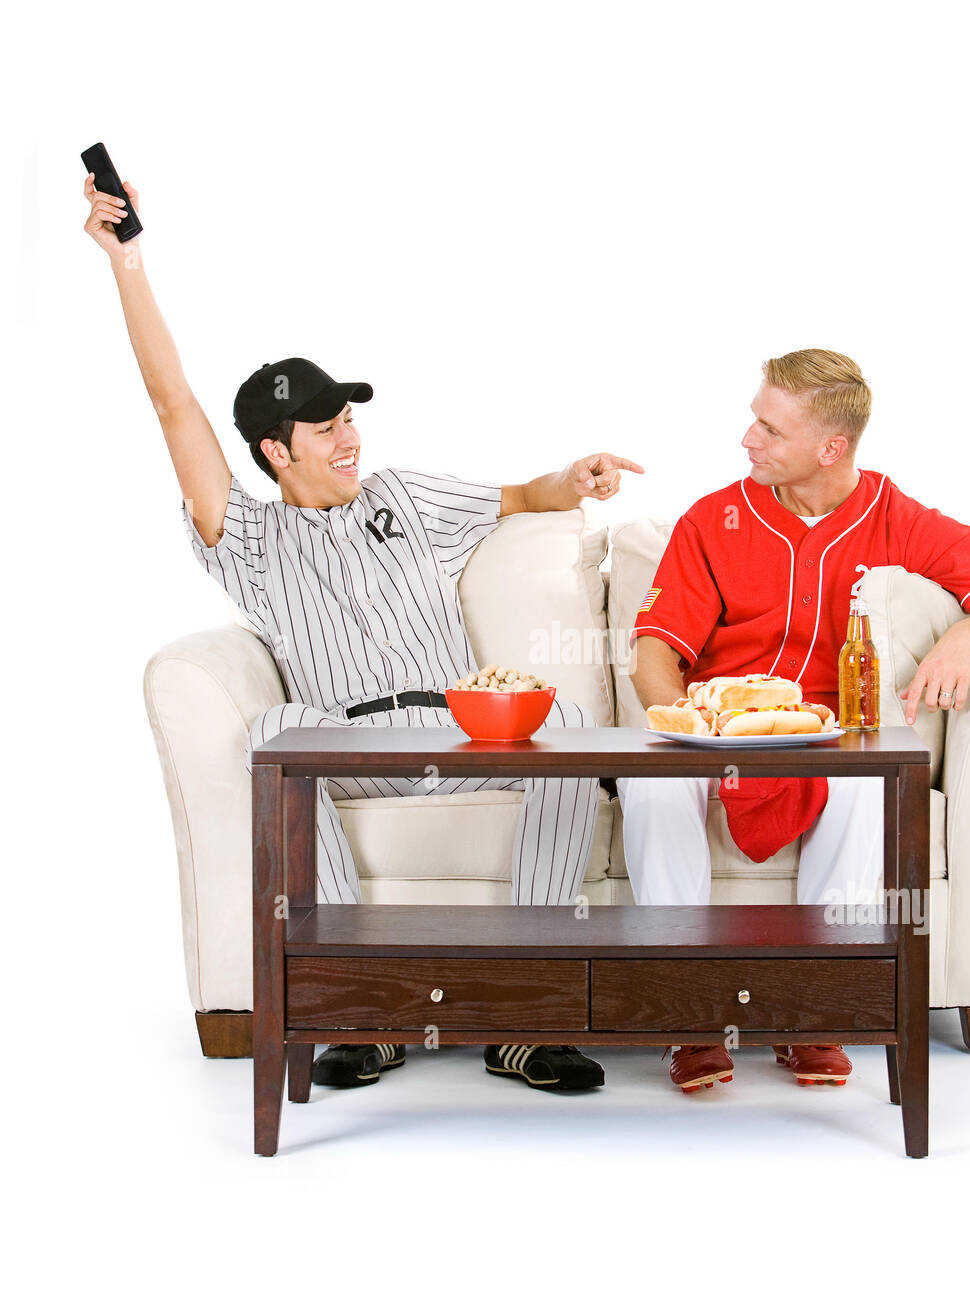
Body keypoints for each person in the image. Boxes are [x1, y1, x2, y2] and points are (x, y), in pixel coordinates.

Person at [85, 173, 644, 1094]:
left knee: (576, 730)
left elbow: (519, 496)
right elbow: (172, 404)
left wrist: (571, 476)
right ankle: (363, 1012)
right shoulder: (250, 540)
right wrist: (127, 262)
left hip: (457, 728)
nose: (350, 436)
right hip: (350, 739)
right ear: (276, 448)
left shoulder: (405, 495)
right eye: (327, 425)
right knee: (271, 731)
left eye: (351, 417)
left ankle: (525, 1015)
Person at [617, 349, 970, 1093]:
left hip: (832, 737)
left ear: (831, 448)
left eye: (769, 428)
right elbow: (653, 651)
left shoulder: (900, 518)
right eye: (753, 420)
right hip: (717, 734)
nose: (746, 440)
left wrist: (969, 633)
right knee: (653, 784)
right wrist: (680, 717)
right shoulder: (714, 517)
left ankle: (815, 1011)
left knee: (873, 779)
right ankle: (688, 1012)